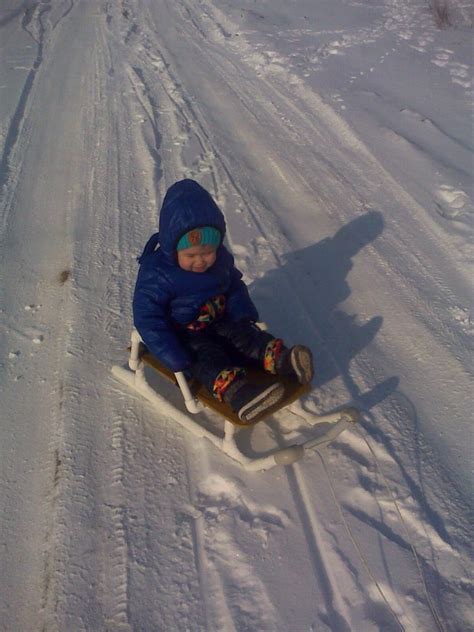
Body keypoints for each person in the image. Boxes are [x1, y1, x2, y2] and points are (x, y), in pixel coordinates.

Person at [133, 179, 313, 423]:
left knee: (246, 337)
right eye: (190, 255)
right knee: (206, 358)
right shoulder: (157, 273)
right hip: (185, 334)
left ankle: (285, 361)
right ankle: (239, 395)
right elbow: (147, 316)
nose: (201, 261)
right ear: (172, 249)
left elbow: (234, 285)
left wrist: (242, 312)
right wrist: (172, 354)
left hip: (219, 319)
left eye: (207, 252)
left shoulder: (220, 261)